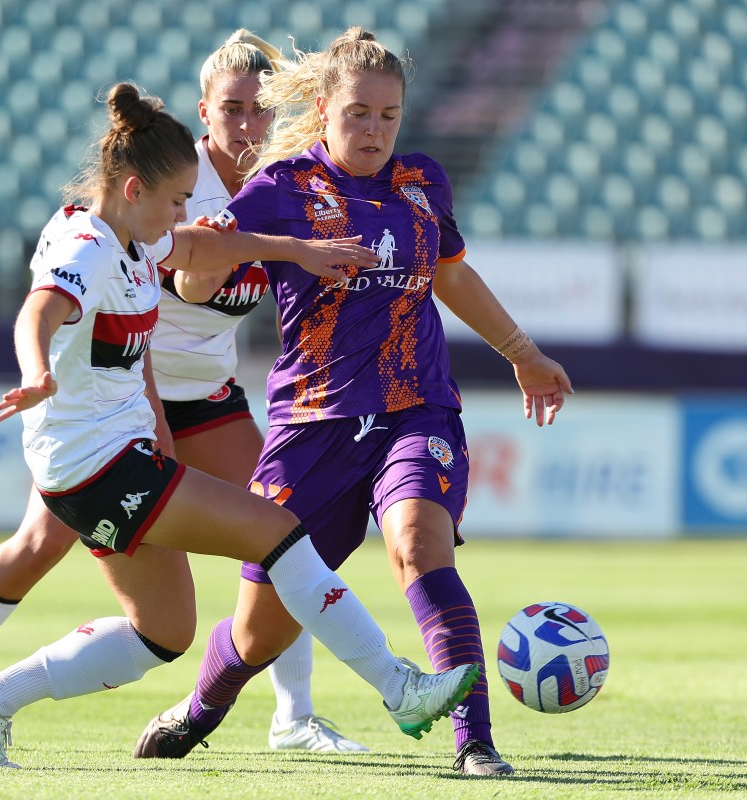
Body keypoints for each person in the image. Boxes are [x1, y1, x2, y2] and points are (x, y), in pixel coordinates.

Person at [0, 81, 479, 769]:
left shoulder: (134, 243)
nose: (187, 213)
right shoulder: (89, 243)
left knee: (163, 633)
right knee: (279, 530)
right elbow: (37, 311)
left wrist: (297, 251)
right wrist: (35, 371)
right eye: (177, 201)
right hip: (103, 464)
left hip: (119, 450)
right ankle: (393, 689)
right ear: (135, 190)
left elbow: (196, 252)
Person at [0, 31, 365, 756]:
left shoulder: (276, 186)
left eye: (262, 111)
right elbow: (152, 290)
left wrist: (298, 245)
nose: (250, 125)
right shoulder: (169, 186)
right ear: (206, 112)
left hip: (204, 396)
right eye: (234, 110)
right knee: (37, 546)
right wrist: (118, 402)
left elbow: (219, 256)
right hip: (124, 406)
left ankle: (294, 714)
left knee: (282, 530)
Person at [132, 28, 573, 778]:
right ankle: (203, 707)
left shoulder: (423, 182)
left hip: (416, 407)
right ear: (325, 111)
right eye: (359, 114)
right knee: (259, 630)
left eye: (389, 116)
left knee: (417, 546)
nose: (374, 131)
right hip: (314, 425)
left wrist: (524, 354)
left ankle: (475, 742)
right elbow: (191, 273)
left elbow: (452, 276)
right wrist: (210, 260)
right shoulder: (282, 186)